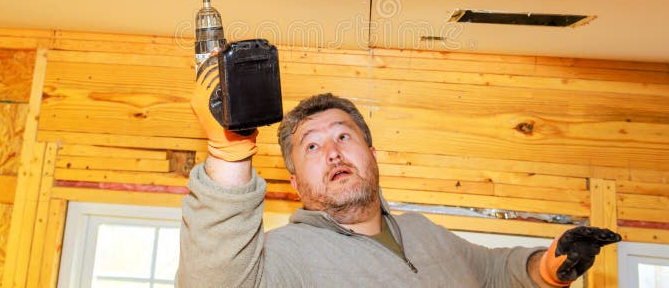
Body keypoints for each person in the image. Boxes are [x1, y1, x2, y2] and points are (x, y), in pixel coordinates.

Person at [178, 64, 620, 287]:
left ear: (372, 155)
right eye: (311, 146)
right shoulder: (283, 259)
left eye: (344, 137)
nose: (332, 152)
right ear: (295, 184)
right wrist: (231, 153)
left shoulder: (423, 233)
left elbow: (492, 272)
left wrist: (548, 267)